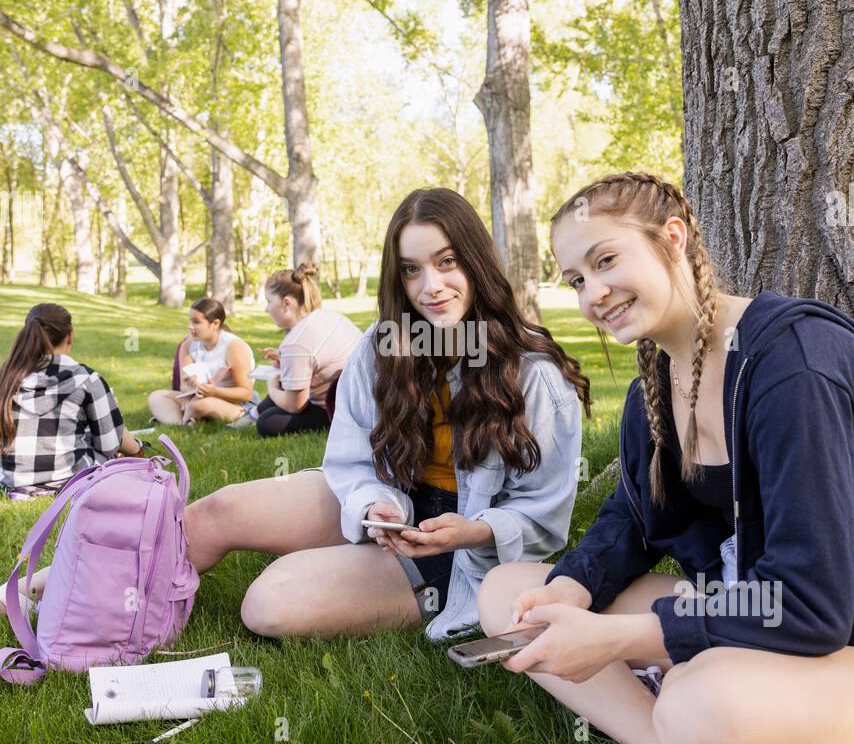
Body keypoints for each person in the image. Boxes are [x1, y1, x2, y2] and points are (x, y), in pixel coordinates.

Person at [475, 170, 854, 744]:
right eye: (573, 279)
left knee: (697, 701)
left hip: (842, 641)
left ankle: (700, 736)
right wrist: (568, 589)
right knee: (511, 595)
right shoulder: (654, 381)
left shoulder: (793, 366)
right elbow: (629, 519)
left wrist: (619, 640)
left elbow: (811, 605)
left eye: (605, 261)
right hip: (755, 628)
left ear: (673, 239)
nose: (592, 293)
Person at [183, 187, 592, 639]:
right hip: (390, 496)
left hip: (462, 537)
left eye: (447, 262)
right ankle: (123, 625)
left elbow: (544, 518)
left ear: (476, 260)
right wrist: (373, 506)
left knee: (269, 603)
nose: (430, 287)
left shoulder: (534, 373)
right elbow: (352, 459)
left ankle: (388, 579)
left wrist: (471, 532)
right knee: (215, 511)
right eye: (411, 270)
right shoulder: (381, 348)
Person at [0, 302, 146, 502]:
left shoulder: (7, 377)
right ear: (69, 336)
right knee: (105, 439)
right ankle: (137, 450)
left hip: (13, 481)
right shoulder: (85, 378)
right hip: (71, 479)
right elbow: (108, 445)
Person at [255, 263, 362, 437]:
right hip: (359, 397)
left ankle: (252, 415)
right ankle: (252, 413)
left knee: (267, 421)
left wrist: (271, 386)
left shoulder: (295, 343)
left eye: (269, 302)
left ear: (286, 303)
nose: (266, 309)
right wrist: (286, 361)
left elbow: (295, 406)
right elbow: (320, 358)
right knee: (273, 400)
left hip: (339, 409)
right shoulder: (330, 316)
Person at [147, 298, 256, 427]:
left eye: (196, 322)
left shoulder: (233, 346)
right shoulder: (188, 345)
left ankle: (184, 418)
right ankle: (182, 423)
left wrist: (214, 392)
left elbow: (245, 393)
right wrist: (191, 389)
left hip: (235, 404)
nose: (190, 326)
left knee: (200, 405)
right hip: (198, 397)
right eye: (190, 321)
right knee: (156, 397)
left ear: (215, 324)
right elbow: (184, 387)